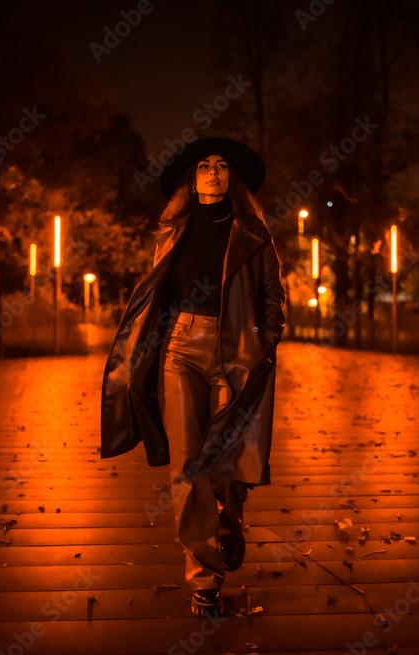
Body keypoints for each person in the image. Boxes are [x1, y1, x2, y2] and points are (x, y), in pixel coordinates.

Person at [100, 137, 285, 617]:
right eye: (204, 166)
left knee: (229, 455)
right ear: (192, 179)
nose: (213, 172)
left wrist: (264, 345)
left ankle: (230, 513)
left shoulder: (254, 234)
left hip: (235, 352)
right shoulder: (171, 232)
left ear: (232, 178)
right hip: (179, 350)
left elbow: (273, 298)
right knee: (187, 464)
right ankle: (204, 581)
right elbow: (156, 298)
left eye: (222, 166)